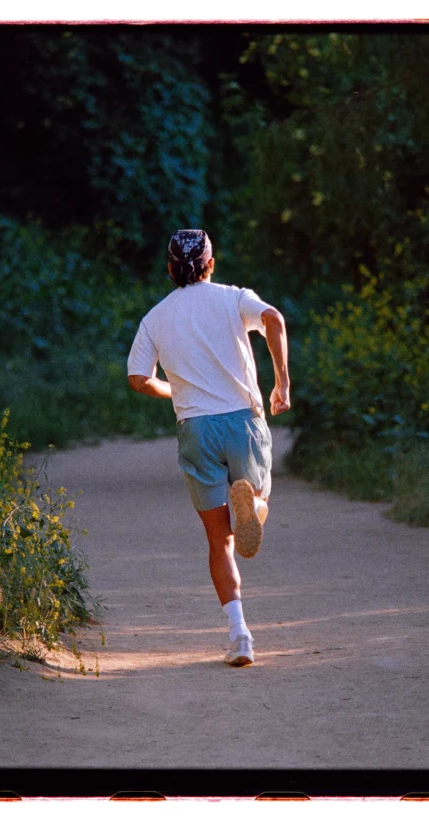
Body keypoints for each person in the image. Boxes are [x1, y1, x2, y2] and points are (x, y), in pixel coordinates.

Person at [127, 229, 290, 667]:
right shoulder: (233, 297)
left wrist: (174, 391)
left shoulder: (155, 318)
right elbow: (273, 318)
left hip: (195, 428)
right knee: (259, 499)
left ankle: (240, 636)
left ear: (169, 269)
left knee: (219, 541)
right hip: (242, 420)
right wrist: (281, 383)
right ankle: (253, 508)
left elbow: (138, 379)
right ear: (211, 264)